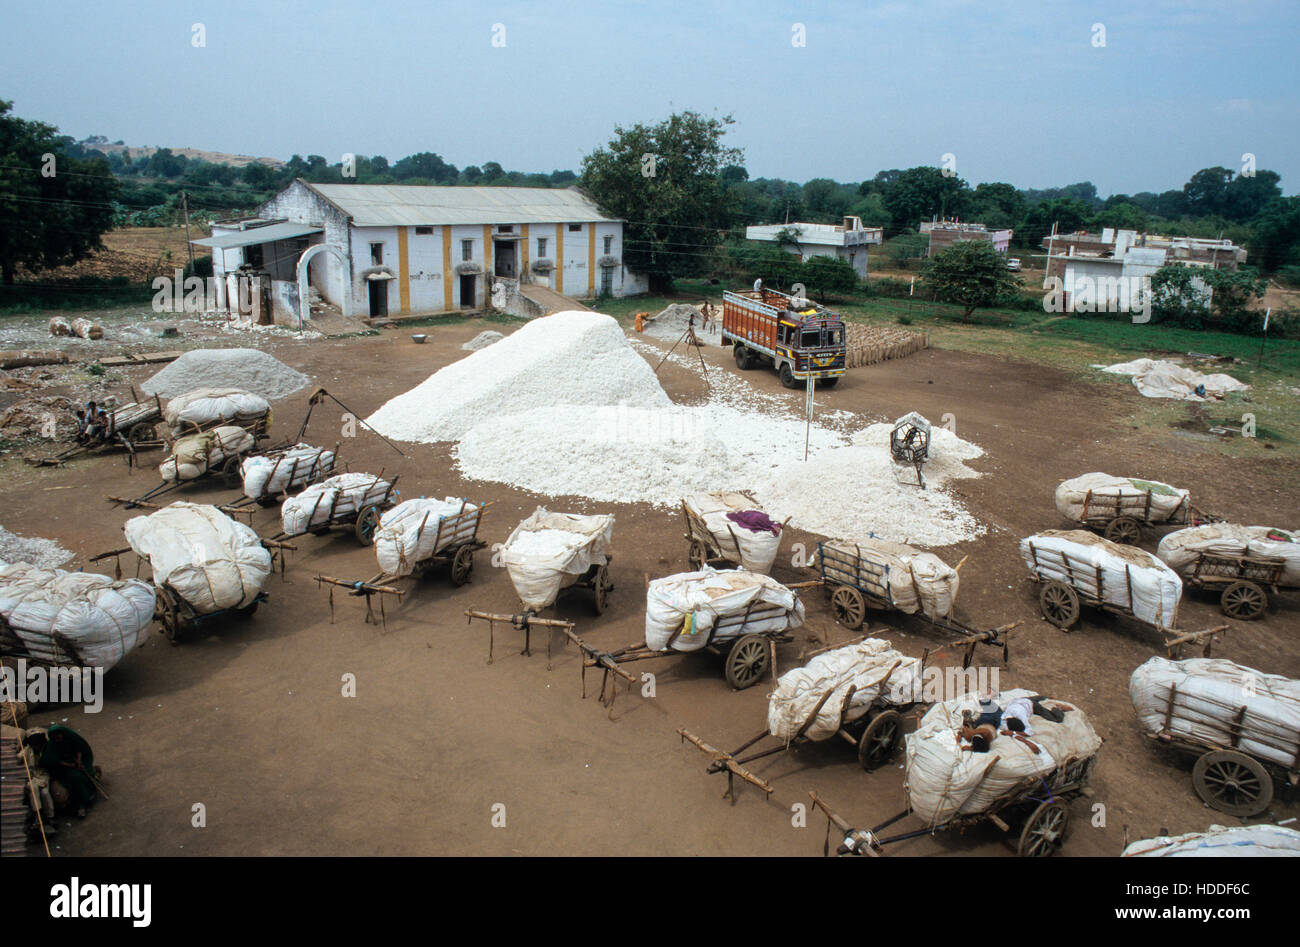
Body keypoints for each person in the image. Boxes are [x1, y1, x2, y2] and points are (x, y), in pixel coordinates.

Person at [38, 724, 97, 818]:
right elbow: (53, 760)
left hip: (75, 762)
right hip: (63, 768)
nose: (57, 737)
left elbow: (79, 749)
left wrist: (79, 761)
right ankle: (82, 803)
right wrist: (71, 765)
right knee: (74, 778)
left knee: (83, 775)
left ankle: (87, 796)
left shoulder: (70, 739)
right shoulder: (52, 746)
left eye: (58, 734)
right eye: (54, 736)